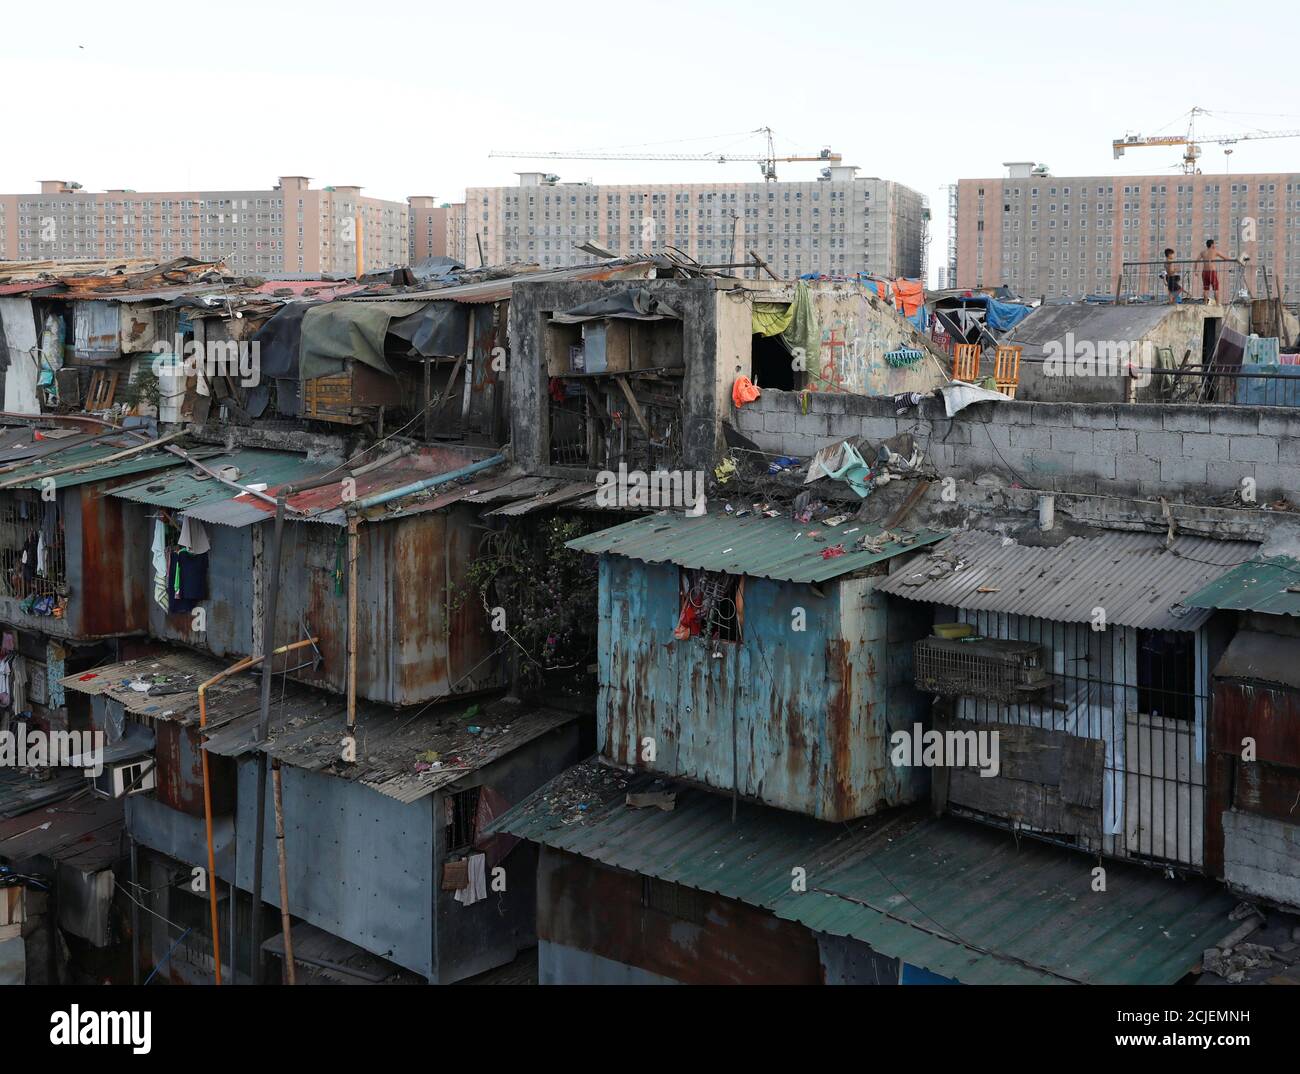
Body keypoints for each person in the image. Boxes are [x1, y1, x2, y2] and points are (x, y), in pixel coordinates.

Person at [1195, 239, 1239, 303]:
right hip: (1212, 272)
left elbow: (1196, 261)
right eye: (1214, 244)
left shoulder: (1202, 252)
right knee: (1216, 289)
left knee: (1206, 289)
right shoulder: (1215, 251)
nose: (1215, 245)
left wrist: (1196, 271)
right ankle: (1217, 304)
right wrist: (1235, 260)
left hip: (1204, 272)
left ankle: (1205, 303)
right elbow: (1225, 258)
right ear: (1212, 244)